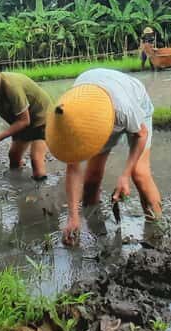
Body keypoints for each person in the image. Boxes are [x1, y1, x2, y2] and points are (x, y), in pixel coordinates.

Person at [46, 68, 162, 245]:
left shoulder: (124, 108)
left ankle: (157, 232)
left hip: (134, 102)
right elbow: (74, 169)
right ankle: (96, 232)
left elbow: (141, 134)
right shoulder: (72, 120)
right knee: (91, 177)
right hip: (94, 112)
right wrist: (73, 217)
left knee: (139, 173)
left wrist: (125, 176)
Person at [0, 63, 51, 181]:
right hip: (21, 120)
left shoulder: (11, 87)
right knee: (13, 157)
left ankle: (41, 193)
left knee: (36, 160)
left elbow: (24, 121)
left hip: (41, 118)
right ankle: (18, 188)